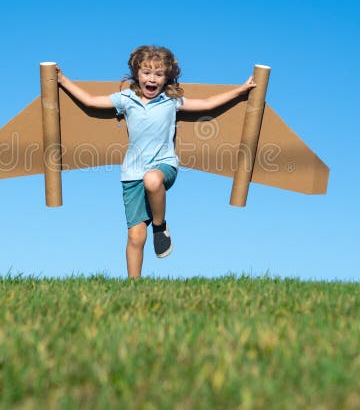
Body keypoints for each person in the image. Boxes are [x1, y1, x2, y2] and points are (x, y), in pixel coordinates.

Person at [57, 45, 256, 278]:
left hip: (164, 166)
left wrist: (241, 90)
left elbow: (207, 104)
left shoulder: (171, 101)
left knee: (152, 179)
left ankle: (160, 227)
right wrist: (62, 80)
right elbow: (90, 101)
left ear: (166, 78)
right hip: (131, 174)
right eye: (146, 72)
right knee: (135, 236)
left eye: (158, 74)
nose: (152, 78)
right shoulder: (126, 99)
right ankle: (134, 287)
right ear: (137, 74)